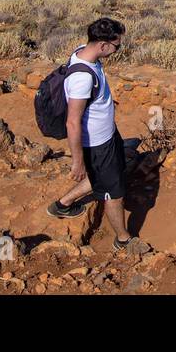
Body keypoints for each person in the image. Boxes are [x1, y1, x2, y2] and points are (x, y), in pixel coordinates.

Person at [46, 17, 136, 251]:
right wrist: (77, 161)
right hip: (96, 145)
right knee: (113, 194)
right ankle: (123, 239)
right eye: (117, 46)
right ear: (103, 46)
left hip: (107, 135)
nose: (118, 50)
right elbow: (73, 122)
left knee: (107, 175)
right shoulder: (82, 78)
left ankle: (63, 204)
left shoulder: (83, 52)